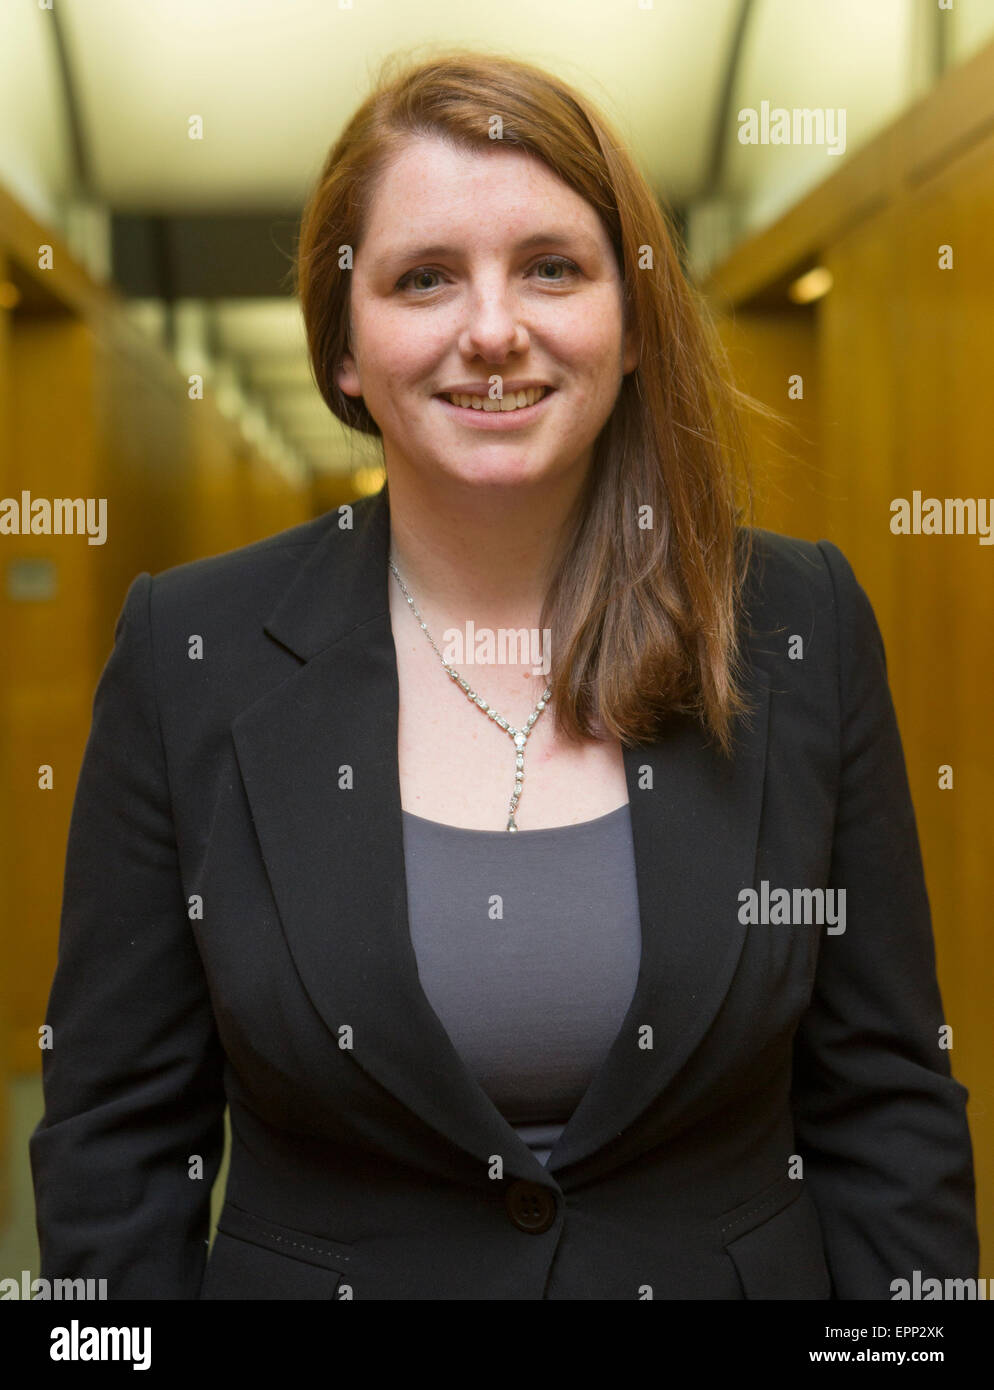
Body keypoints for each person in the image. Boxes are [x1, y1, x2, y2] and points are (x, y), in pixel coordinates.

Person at [30, 48, 977, 1300]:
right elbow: (114, 1141)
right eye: (424, 278)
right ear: (347, 348)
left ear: (631, 324)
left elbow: (885, 1103)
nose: (492, 330)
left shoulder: (795, 624)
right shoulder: (189, 651)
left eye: (550, 267)